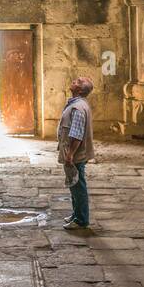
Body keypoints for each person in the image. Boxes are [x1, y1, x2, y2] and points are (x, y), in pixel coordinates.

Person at [57, 75, 95, 230]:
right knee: (74, 184)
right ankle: (76, 213)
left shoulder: (78, 108)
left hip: (76, 154)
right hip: (75, 153)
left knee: (78, 186)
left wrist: (70, 154)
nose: (74, 80)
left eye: (78, 82)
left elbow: (76, 134)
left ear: (79, 90)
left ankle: (81, 220)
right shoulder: (78, 104)